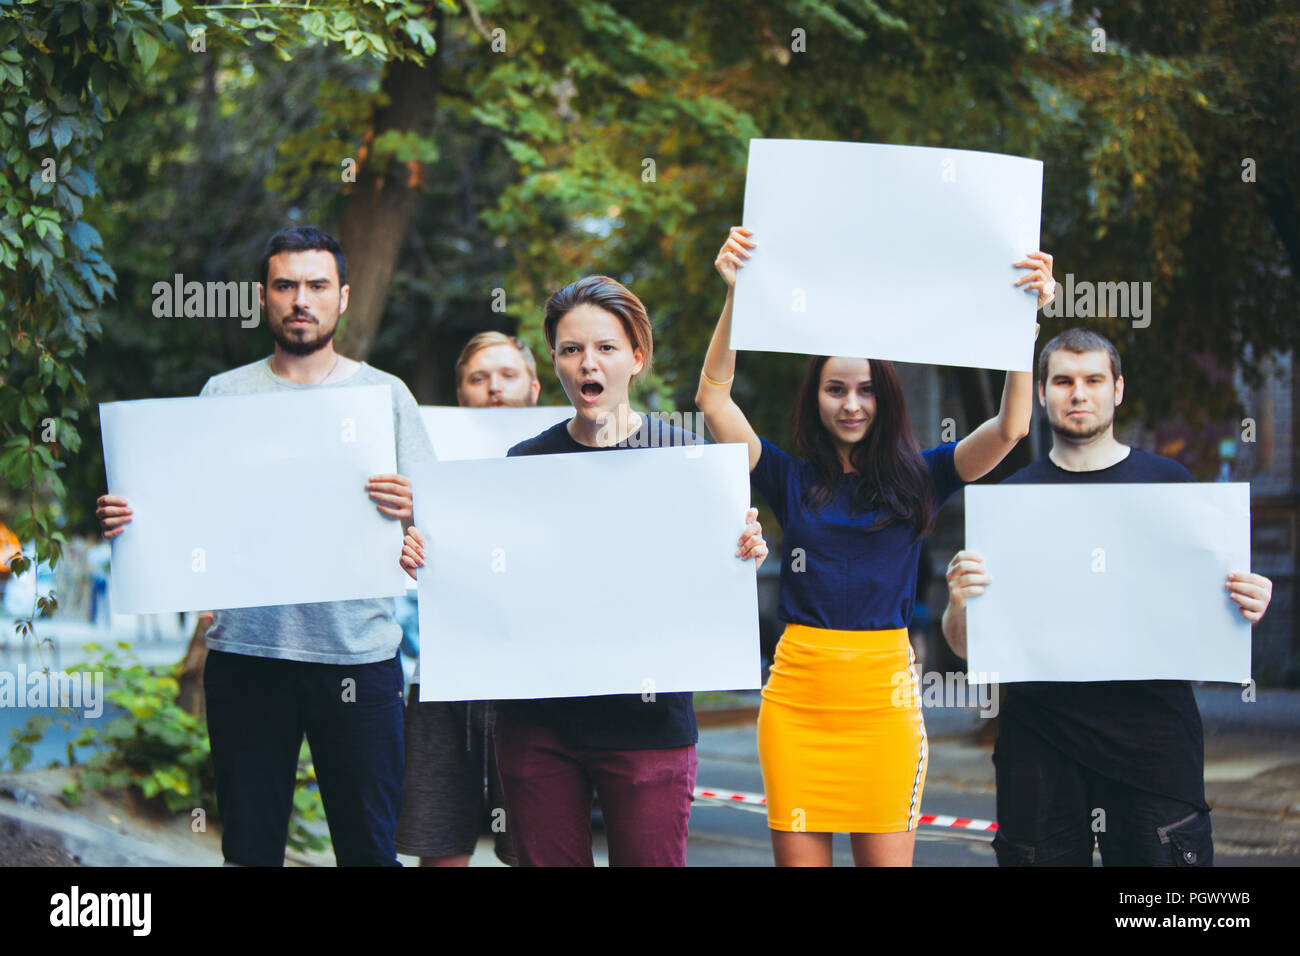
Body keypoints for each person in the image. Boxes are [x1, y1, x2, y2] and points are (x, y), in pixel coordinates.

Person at [696, 225, 1054, 866]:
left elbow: (1011, 427)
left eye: (865, 390)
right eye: (836, 389)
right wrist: (737, 298)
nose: (851, 404)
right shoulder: (787, 475)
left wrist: (1019, 331)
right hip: (796, 702)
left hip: (884, 703)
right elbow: (712, 397)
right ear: (816, 398)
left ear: (885, 399)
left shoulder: (925, 473)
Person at [401, 275, 769, 866]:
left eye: (605, 348)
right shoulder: (523, 464)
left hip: (651, 733)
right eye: (571, 350)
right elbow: (488, 586)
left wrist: (746, 548)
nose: (586, 363)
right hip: (540, 733)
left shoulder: (688, 463)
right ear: (555, 362)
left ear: (637, 357)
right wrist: (432, 562)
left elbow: (713, 573)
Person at [95, 226, 433, 866]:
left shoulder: (385, 395)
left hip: (357, 658)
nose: (300, 299)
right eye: (285, 285)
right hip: (248, 656)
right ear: (262, 297)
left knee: (369, 850)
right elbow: (186, 511)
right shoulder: (223, 395)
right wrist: (132, 521)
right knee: (249, 851)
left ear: (343, 298)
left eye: (316, 285)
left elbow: (438, 525)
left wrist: (414, 512)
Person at [942, 327, 1274, 867]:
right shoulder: (1009, 502)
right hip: (1039, 747)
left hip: (1153, 747)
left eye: (1094, 380)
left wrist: (1248, 605)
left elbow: (1213, 616)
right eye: (1063, 381)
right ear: (1042, 392)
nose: (1079, 393)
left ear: (1117, 389)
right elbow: (964, 648)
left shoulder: (1172, 487)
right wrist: (959, 603)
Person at [393, 331, 538, 868]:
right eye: (478, 378)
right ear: (460, 393)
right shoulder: (428, 461)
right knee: (438, 840)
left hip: (537, 676)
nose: (493, 388)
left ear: (533, 384)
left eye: (506, 375)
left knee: (535, 846)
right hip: (444, 671)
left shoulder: (569, 455)